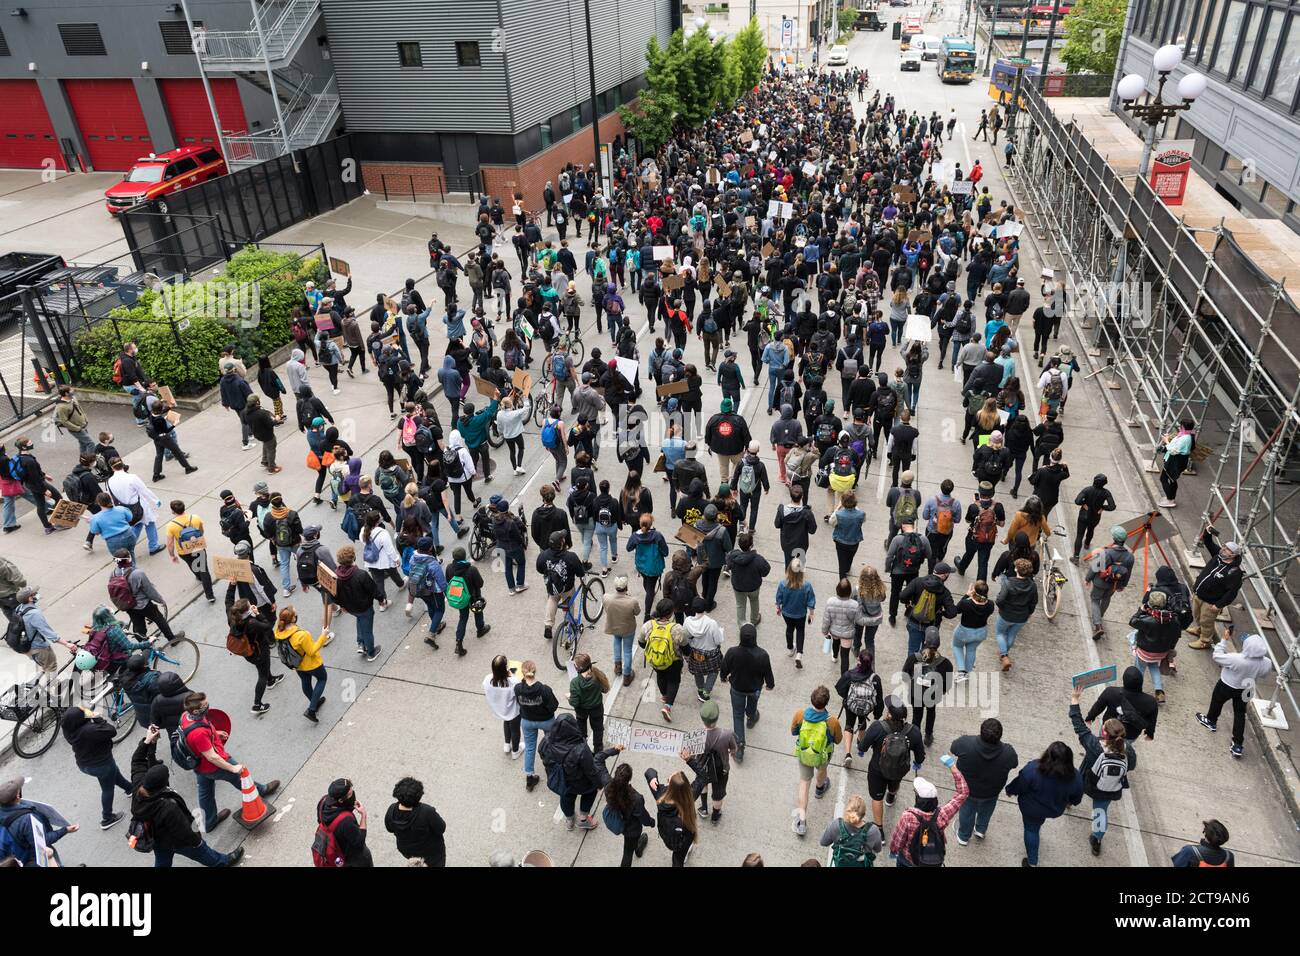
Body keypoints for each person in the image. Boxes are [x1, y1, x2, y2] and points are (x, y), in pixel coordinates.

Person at [130, 726, 244, 867]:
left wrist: (149, 741)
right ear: (163, 784)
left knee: (162, 861)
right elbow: (183, 831)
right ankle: (223, 862)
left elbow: (137, 760)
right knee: (202, 852)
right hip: (176, 841)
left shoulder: (138, 786)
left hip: (157, 838)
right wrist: (197, 841)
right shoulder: (167, 807)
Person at [1069, 687, 1136, 856]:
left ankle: (1069, 801)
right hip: (1108, 788)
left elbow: (1079, 726)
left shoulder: (1094, 746)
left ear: (1104, 733)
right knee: (1100, 813)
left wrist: (1075, 699)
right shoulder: (1128, 750)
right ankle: (1097, 839)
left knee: (1074, 790)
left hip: (1086, 780)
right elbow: (1131, 765)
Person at [1196, 630, 1274, 758]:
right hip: (1248, 687)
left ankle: (1211, 721)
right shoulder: (1266, 662)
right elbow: (1264, 675)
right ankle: (1237, 744)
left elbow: (1216, 656)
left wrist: (1224, 640)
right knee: (1240, 714)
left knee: (1217, 701)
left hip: (1227, 684)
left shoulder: (1236, 658)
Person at [1005, 740, 1084, 867]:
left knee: (1031, 829)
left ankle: (1032, 862)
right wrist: (1070, 802)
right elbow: (1076, 798)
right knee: (1036, 825)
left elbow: (1020, 784)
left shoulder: (1033, 769)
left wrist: (1010, 790)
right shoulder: (1076, 777)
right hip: (1054, 809)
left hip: (1031, 809)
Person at [856, 695, 926, 828]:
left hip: (877, 768)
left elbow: (863, 746)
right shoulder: (914, 732)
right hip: (899, 770)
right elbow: (920, 757)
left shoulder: (877, 727)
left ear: (889, 714)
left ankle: (879, 829)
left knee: (877, 798)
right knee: (895, 783)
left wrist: (860, 749)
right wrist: (917, 762)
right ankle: (891, 796)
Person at [539, 713, 617, 831]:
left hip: (563, 781)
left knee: (566, 797)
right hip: (580, 782)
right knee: (590, 792)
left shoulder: (546, 740)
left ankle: (570, 820)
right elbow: (591, 770)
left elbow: (542, 754)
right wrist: (599, 784)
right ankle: (583, 819)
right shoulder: (580, 748)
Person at [61, 705, 132, 831]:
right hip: (102, 764)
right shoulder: (90, 730)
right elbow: (111, 731)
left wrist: (85, 713)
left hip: (85, 764)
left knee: (113, 774)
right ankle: (107, 818)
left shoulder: (69, 730)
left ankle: (130, 788)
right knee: (107, 789)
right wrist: (96, 717)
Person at [950, 718, 1019, 846]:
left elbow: (953, 748)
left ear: (981, 732)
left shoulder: (965, 744)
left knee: (967, 811)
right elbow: (1014, 763)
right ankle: (980, 829)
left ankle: (964, 836)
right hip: (992, 792)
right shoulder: (1008, 752)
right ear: (1000, 735)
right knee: (987, 810)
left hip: (968, 790)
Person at [888, 766, 969, 867]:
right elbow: (963, 793)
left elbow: (898, 840)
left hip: (909, 860)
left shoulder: (908, 817)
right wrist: (953, 768)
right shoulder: (942, 815)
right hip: (932, 860)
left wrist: (893, 851)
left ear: (918, 799)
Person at [790, 685, 842, 837]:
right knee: (821, 770)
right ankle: (820, 788)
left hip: (805, 754)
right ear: (826, 703)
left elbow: (793, 731)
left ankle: (801, 821)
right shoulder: (832, 721)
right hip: (823, 754)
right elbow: (838, 740)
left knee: (804, 783)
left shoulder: (800, 714)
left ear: (811, 699)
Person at [1186, 527, 1244, 650]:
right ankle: (1199, 629)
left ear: (1233, 555)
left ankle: (1205, 641)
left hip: (1211, 602)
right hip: (1199, 594)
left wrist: (1219, 605)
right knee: (1197, 615)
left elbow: (1232, 592)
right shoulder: (1218, 556)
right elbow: (1208, 542)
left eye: (1227, 549)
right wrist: (1207, 532)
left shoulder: (1234, 572)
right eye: (1224, 546)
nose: (1223, 549)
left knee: (1206, 620)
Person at [0, 777, 77, 866]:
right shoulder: (27, 819)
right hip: (33, 856)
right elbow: (43, 841)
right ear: (17, 796)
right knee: (52, 858)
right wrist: (65, 830)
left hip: (15, 854)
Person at [109, 550, 181, 643]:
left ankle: (146, 649)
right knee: (159, 619)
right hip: (143, 605)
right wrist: (160, 600)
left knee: (139, 629)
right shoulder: (137, 573)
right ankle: (172, 639)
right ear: (128, 559)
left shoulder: (114, 574)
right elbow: (149, 590)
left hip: (129, 606)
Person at [227, 599, 283, 714]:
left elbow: (227, 602)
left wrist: (231, 587)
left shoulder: (233, 620)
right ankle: (257, 704)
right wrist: (258, 614)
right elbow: (267, 626)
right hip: (260, 652)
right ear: (248, 610)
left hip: (249, 653)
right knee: (262, 675)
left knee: (262, 668)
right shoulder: (251, 623)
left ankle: (271, 680)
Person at [274, 606, 329, 722]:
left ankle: (314, 701)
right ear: (293, 619)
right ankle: (312, 709)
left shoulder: (279, 631)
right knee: (322, 679)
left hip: (297, 665)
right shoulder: (302, 635)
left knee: (305, 682)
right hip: (312, 664)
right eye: (295, 614)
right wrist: (323, 635)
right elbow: (312, 650)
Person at [903, 627, 955, 746]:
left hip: (916, 694)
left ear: (924, 641)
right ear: (939, 644)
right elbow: (947, 684)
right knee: (931, 712)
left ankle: (915, 738)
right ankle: (928, 735)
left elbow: (905, 675)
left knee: (917, 715)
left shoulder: (914, 658)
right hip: (932, 695)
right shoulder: (946, 663)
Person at [640, 597, 688, 722]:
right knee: (673, 681)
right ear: (671, 613)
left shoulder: (648, 625)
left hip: (655, 660)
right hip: (673, 662)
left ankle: (664, 696)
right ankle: (667, 707)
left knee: (660, 676)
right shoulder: (677, 629)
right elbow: (686, 648)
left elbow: (641, 643)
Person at [514, 661, 559, 791]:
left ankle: (529, 777)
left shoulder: (517, 689)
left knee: (529, 748)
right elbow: (554, 706)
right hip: (546, 721)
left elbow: (518, 703)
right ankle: (553, 769)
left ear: (522, 673)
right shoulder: (544, 690)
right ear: (535, 672)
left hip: (527, 721)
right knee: (551, 744)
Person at [334, 544, 383, 662]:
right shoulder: (361, 574)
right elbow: (373, 589)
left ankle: (361, 643)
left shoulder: (336, 576)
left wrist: (342, 606)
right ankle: (371, 652)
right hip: (364, 607)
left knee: (360, 620)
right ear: (353, 559)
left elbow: (334, 594)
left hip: (350, 608)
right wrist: (381, 599)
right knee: (367, 629)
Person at [1085, 525, 1135, 641]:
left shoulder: (1106, 553)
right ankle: (1100, 616)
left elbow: (1095, 567)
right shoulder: (1129, 557)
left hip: (1100, 582)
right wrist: (1122, 585)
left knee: (1095, 599)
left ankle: (1098, 625)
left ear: (1114, 539)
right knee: (1106, 599)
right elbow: (1128, 573)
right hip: (1114, 584)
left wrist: (1088, 579)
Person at [898, 563, 958, 657]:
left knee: (913, 650)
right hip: (932, 627)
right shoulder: (945, 592)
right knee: (928, 652)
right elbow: (952, 613)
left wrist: (908, 603)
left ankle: (912, 670)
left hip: (914, 622)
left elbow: (902, 596)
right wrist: (941, 613)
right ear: (944, 575)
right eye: (948, 574)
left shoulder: (917, 582)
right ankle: (924, 670)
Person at [385, 777, 447, 867]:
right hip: (430, 853)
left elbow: (389, 828)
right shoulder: (426, 812)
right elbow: (441, 828)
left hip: (407, 850)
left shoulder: (392, 810)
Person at [603, 763, 655, 866]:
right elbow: (643, 817)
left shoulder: (608, 786)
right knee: (628, 853)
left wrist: (614, 750)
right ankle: (637, 848)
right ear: (629, 778)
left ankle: (637, 847)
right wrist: (651, 822)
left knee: (628, 847)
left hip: (620, 823)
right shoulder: (636, 798)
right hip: (632, 829)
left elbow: (598, 761)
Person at [163, 500, 214, 603]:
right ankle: (210, 595)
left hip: (184, 551)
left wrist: (172, 555)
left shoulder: (171, 526)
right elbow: (201, 531)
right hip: (198, 547)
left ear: (173, 511)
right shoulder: (195, 517)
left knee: (192, 565)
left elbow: (170, 543)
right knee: (204, 569)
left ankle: (199, 576)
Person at [314, 778, 372, 867]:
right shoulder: (346, 820)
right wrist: (363, 815)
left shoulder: (323, 801)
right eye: (350, 794)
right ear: (341, 800)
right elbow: (359, 842)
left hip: (335, 854)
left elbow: (320, 821)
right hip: (352, 860)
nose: (353, 795)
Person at [994, 558, 1037, 670]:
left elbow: (999, 600)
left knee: (1000, 633)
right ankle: (1005, 655)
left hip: (1006, 615)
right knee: (1012, 635)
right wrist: (1029, 613)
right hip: (1022, 617)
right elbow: (1033, 602)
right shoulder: (1032, 586)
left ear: (1016, 569)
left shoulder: (1008, 583)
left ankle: (1004, 655)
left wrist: (1003, 608)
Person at [445, 546, 489, 653]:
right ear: (464, 556)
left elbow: (448, 580)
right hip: (473, 596)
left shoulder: (449, 568)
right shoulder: (471, 569)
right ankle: (480, 629)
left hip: (461, 597)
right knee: (478, 612)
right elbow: (480, 583)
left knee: (463, 618)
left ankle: (459, 642)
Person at [821, 794, 883, 868]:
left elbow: (823, 842)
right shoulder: (873, 831)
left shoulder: (836, 825)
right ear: (863, 814)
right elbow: (878, 849)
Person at [627, 513, 669, 622]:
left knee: (647, 582)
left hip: (641, 565)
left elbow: (628, 548)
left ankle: (649, 595)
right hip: (654, 566)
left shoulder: (635, 536)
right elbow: (665, 552)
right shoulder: (658, 536)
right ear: (651, 524)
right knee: (650, 589)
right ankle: (647, 614)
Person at [775, 558, 816, 669]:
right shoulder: (806, 585)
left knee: (789, 628)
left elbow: (778, 597)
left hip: (787, 613)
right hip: (800, 614)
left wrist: (778, 607)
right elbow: (811, 601)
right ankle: (799, 653)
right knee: (800, 630)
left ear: (788, 570)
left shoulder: (783, 584)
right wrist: (811, 613)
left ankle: (790, 648)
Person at [1070, 473, 1116, 563]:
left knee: (1079, 535)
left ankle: (1076, 557)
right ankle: (1087, 544)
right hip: (1095, 516)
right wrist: (1102, 507)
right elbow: (1112, 506)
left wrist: (1083, 504)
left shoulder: (1087, 490)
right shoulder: (1106, 492)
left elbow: (1077, 501)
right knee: (1091, 530)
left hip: (1084, 515)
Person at [484, 654, 522, 758]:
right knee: (515, 730)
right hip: (513, 711)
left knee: (506, 722)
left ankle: (506, 744)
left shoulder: (487, 679)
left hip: (500, 710)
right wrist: (512, 675)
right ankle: (515, 751)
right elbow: (519, 694)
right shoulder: (513, 681)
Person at [1157, 419, 1196, 508]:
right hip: (1174, 461)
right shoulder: (1185, 435)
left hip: (1175, 462)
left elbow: (1173, 450)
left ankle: (1170, 499)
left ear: (1182, 427)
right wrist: (1169, 439)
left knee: (1165, 479)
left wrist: (1166, 440)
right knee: (1171, 479)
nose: (1178, 427)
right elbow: (1176, 445)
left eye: (1180, 426)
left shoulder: (1185, 438)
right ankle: (1170, 498)